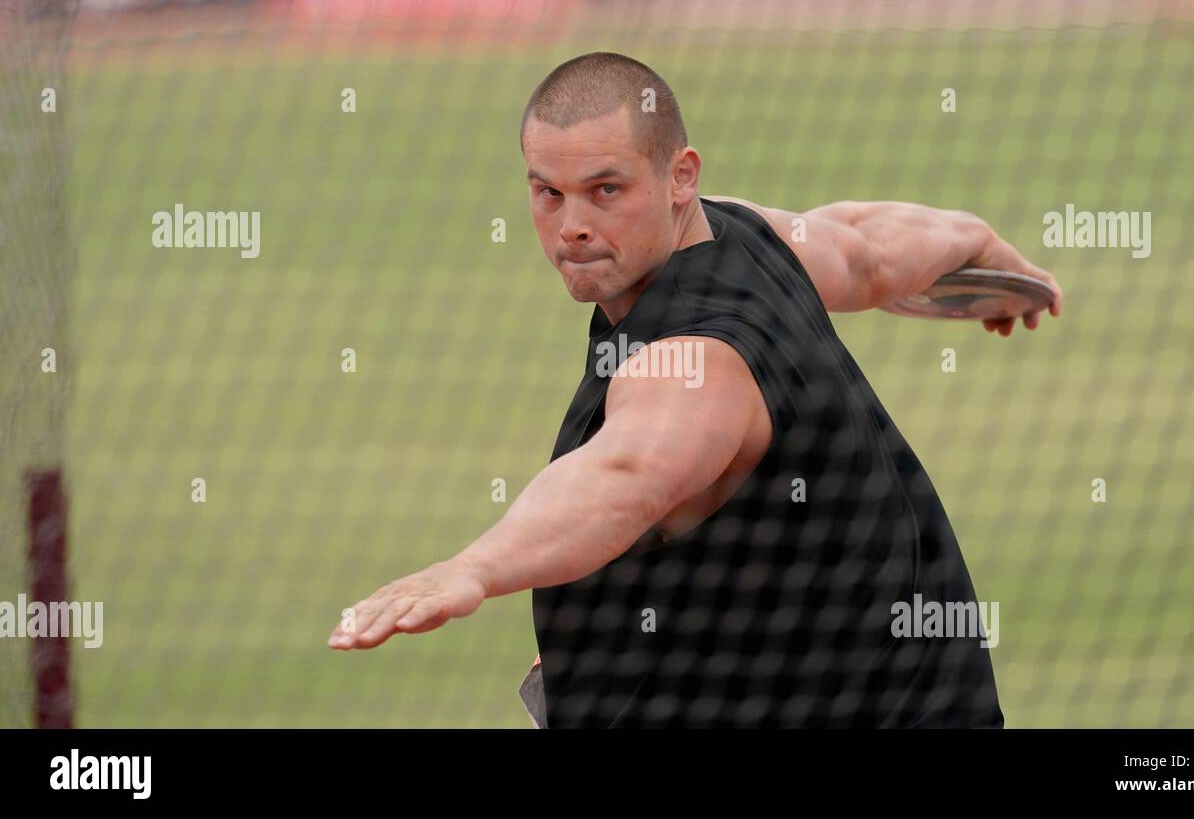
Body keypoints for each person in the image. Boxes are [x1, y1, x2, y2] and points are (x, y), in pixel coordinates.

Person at [328, 52, 1062, 728]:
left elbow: (622, 479)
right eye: (547, 192)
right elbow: (866, 249)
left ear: (680, 176)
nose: (573, 227)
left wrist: (474, 569)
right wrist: (978, 246)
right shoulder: (752, 238)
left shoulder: (696, 364)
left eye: (605, 190)